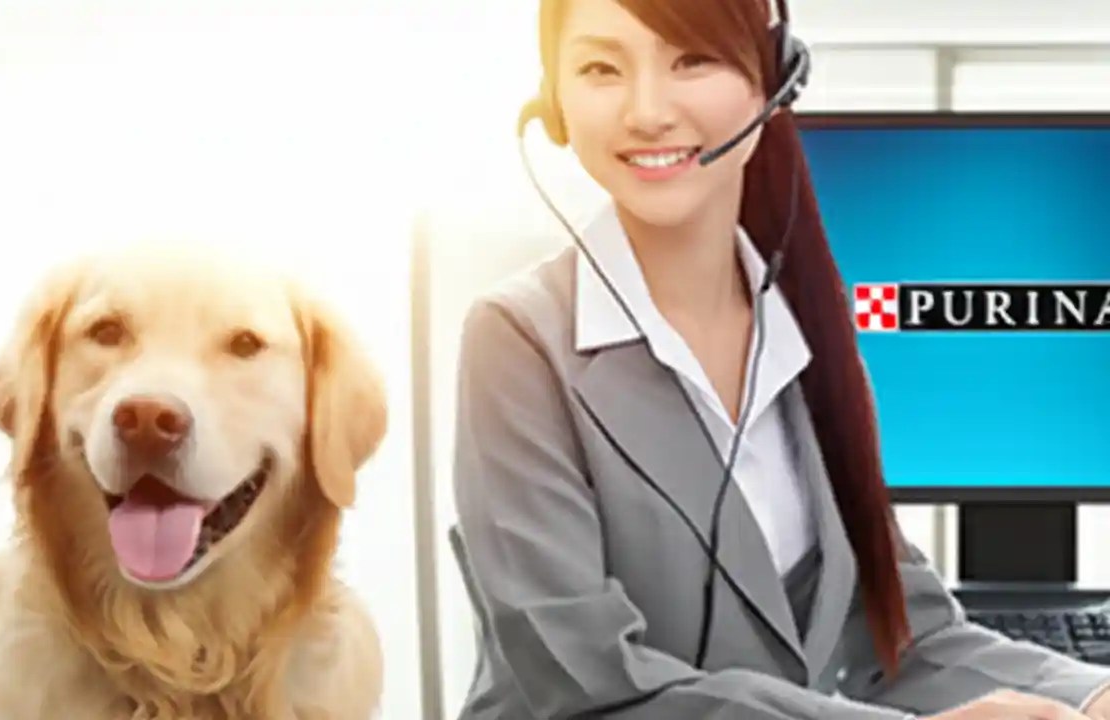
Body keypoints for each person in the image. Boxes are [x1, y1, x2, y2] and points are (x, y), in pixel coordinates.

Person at [446, 0, 1110, 718]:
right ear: (555, 101)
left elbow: (902, 637)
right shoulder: (518, 342)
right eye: (601, 68)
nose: (645, 111)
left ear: (772, 78)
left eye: (690, 59)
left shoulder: (802, 328)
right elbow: (587, 681)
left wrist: (1091, 692)